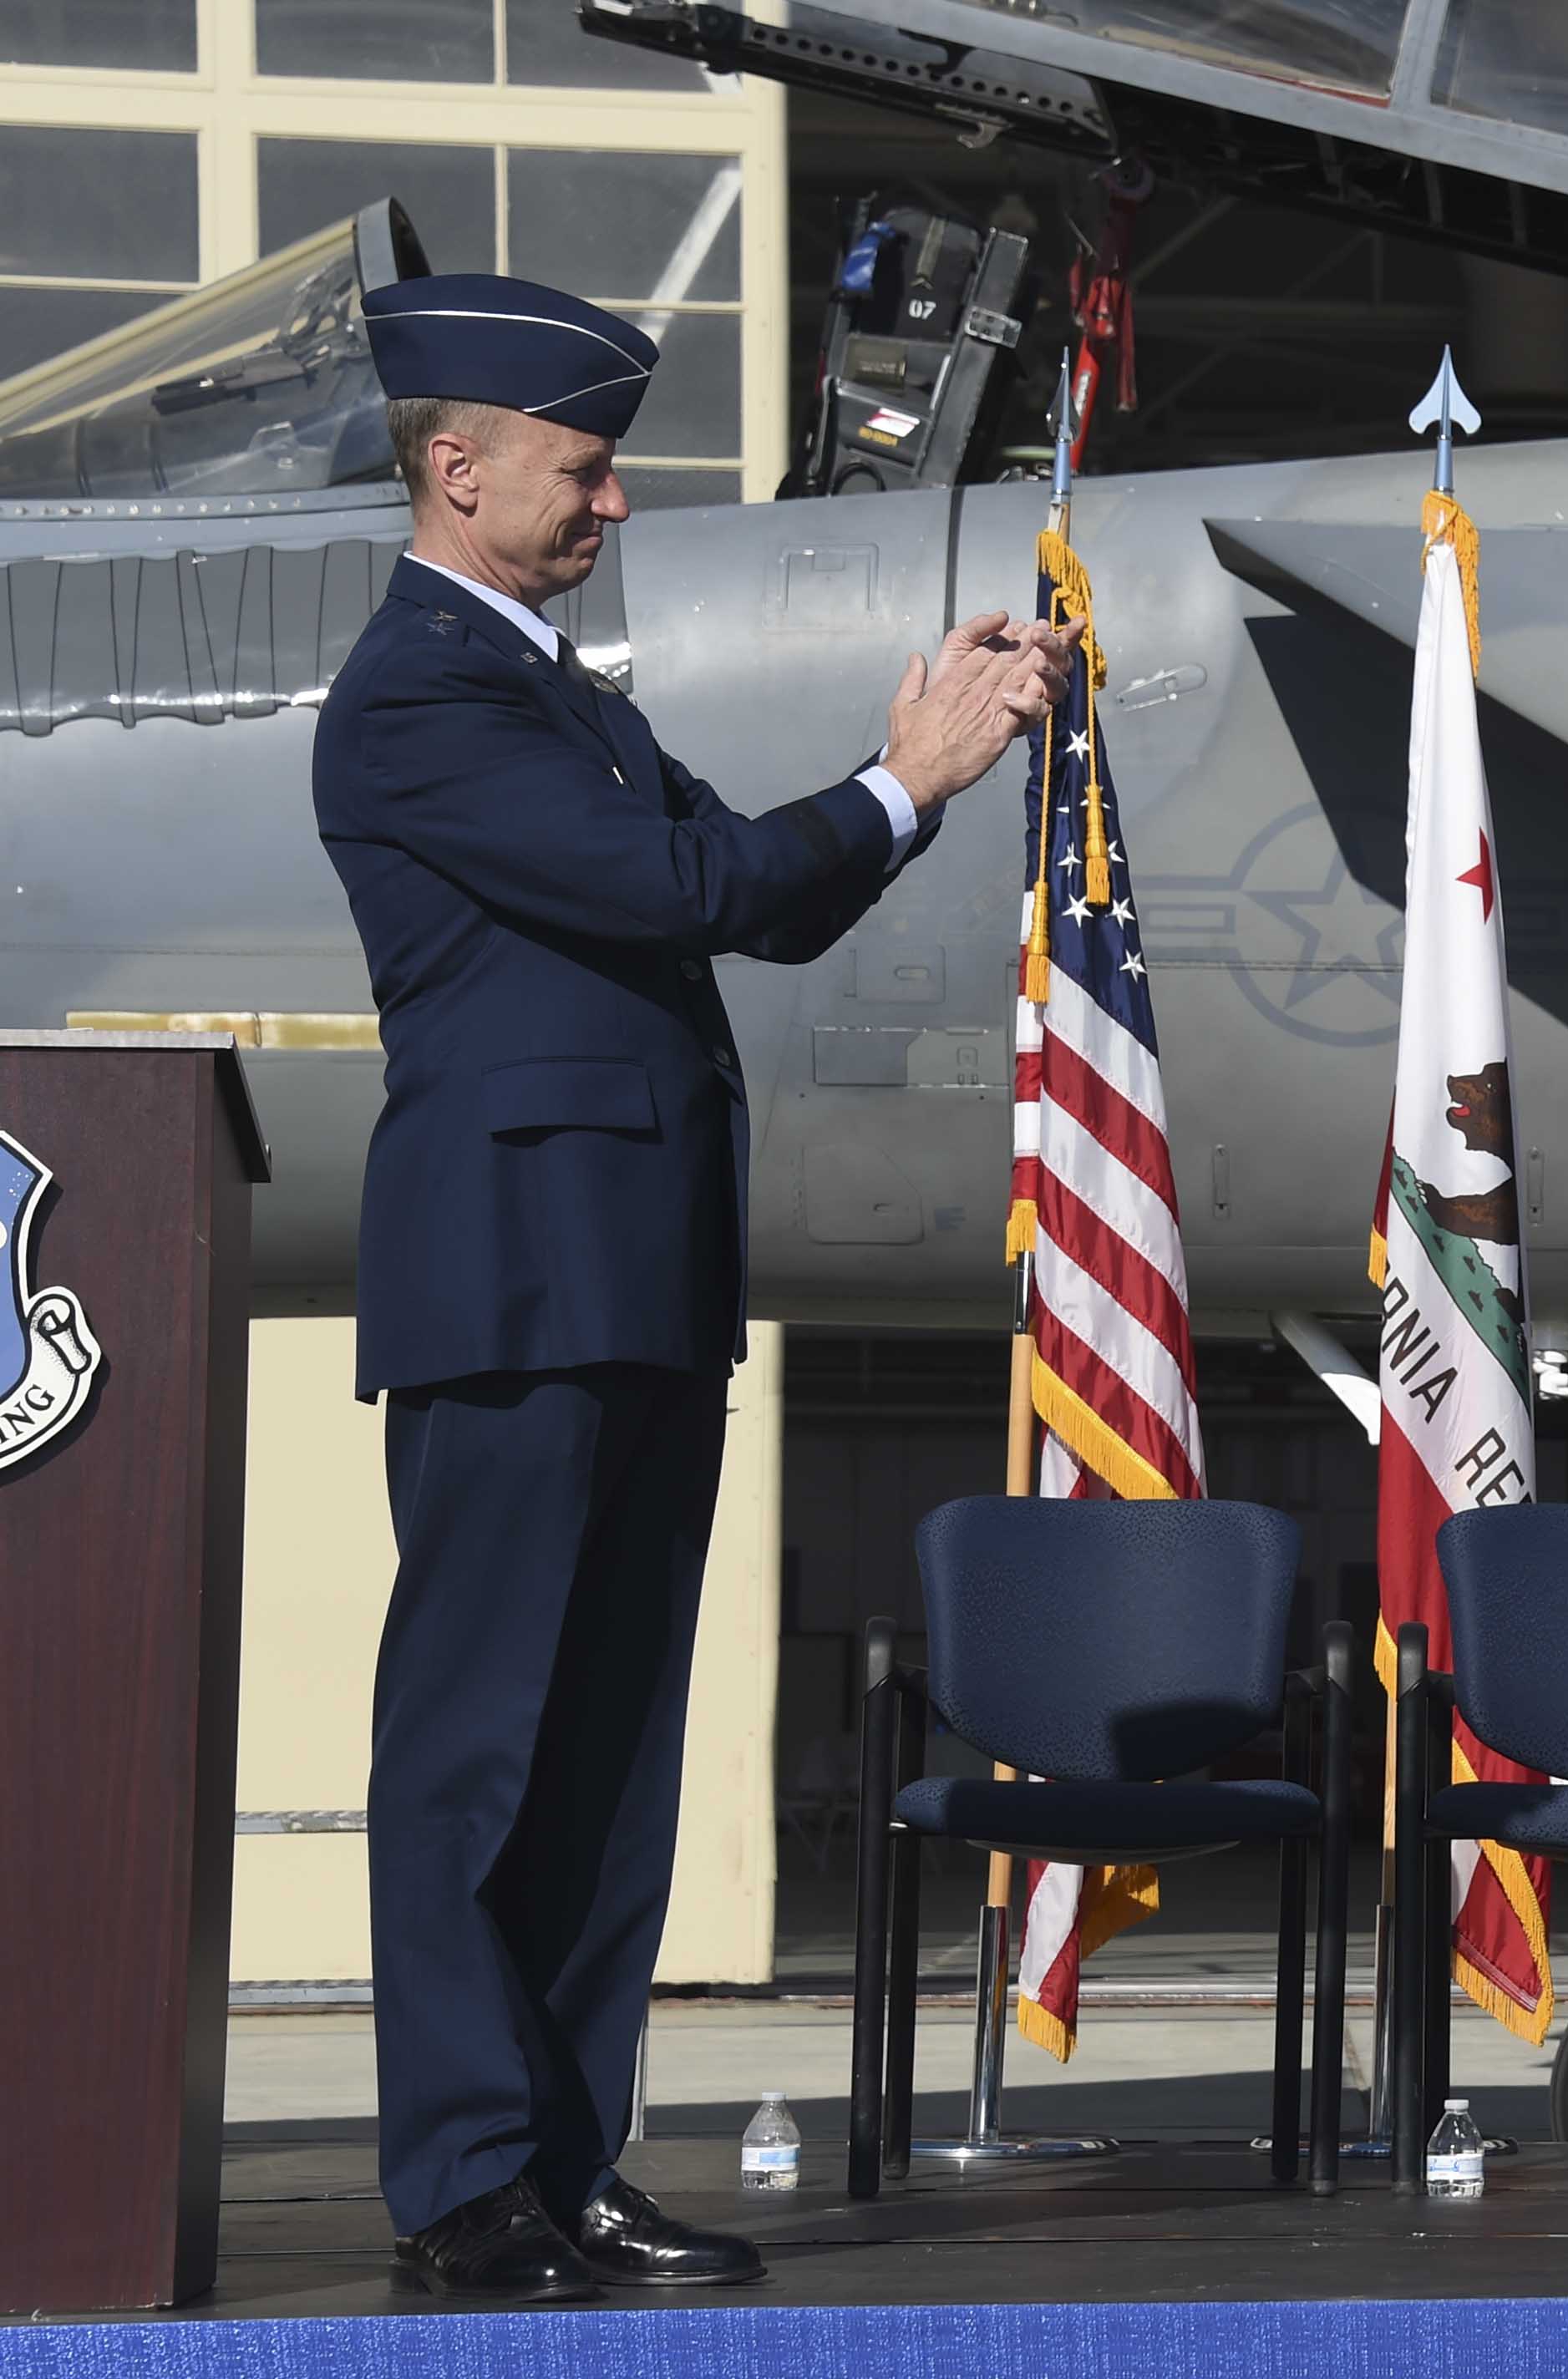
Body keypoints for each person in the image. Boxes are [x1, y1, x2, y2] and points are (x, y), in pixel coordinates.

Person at [317, 273, 1074, 2303]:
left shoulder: (550, 688)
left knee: (607, 1759)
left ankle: (565, 2160)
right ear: (456, 470)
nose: (616, 501)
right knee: (479, 1746)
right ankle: (464, 2173)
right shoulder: (422, 694)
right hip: (515, 1282)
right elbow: (693, 890)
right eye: (581, 467)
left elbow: (748, 882)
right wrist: (905, 776)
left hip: (628, 1276)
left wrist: (902, 777)